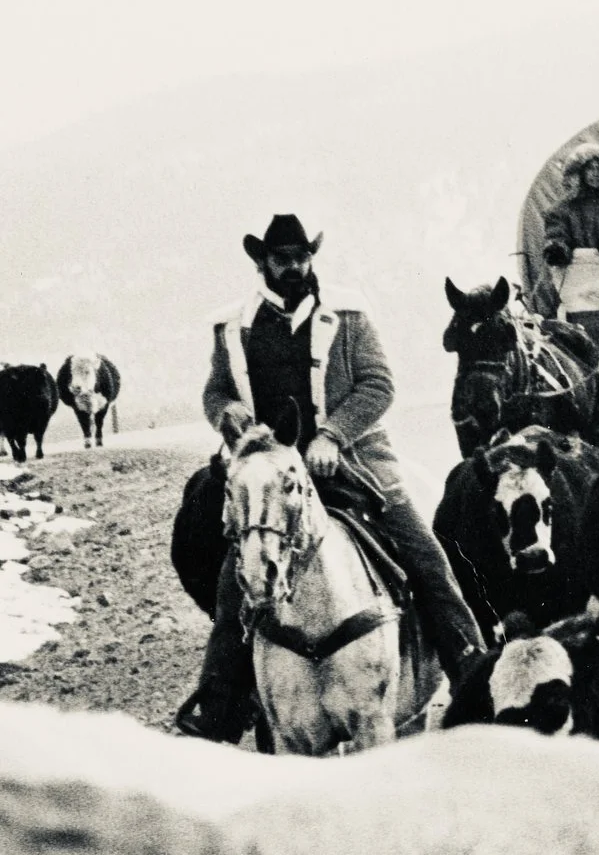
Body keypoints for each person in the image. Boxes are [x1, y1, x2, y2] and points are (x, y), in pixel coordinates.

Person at [172, 215, 489, 741]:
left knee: (424, 555)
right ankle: (221, 704)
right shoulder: (232, 328)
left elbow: (378, 384)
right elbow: (216, 390)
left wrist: (334, 435)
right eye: (283, 258)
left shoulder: (348, 314)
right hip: (271, 468)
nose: (294, 266)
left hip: (353, 459)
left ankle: (472, 677)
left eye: (302, 256)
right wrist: (226, 410)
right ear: (263, 263)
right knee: (235, 576)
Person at [536, 142, 599, 315]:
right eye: (590, 169)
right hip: (577, 278)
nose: (595, 174)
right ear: (579, 173)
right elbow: (556, 234)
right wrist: (558, 249)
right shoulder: (561, 210)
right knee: (573, 312)